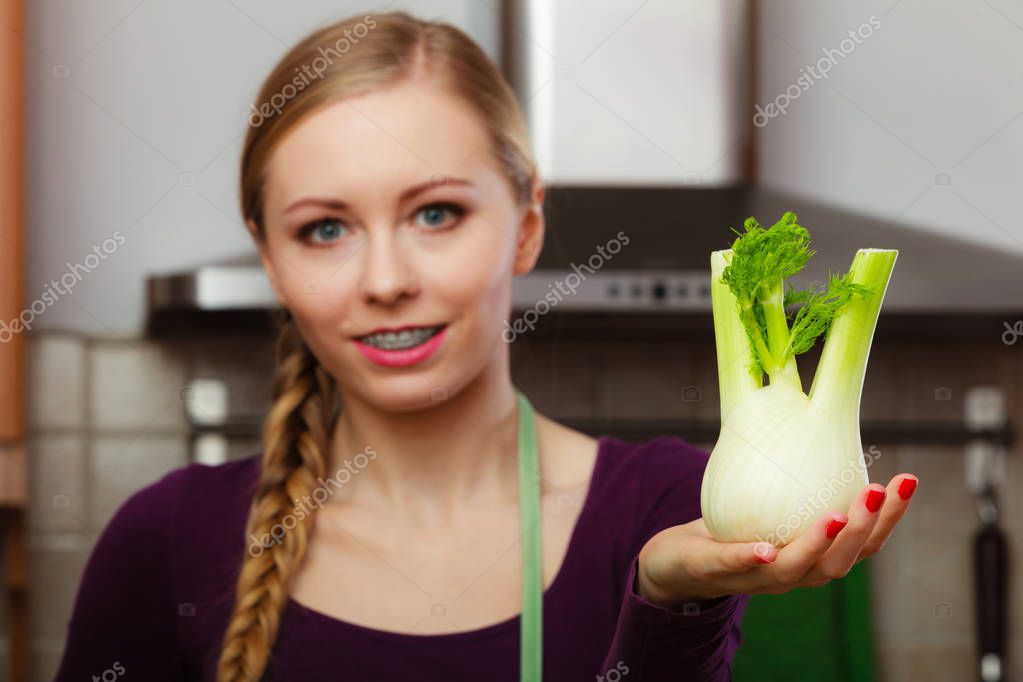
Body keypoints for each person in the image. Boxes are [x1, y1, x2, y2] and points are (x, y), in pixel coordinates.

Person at [54, 11, 918, 681]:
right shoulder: (165, 540)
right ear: (270, 259)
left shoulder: (665, 509)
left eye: (435, 213)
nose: (385, 279)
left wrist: (667, 601)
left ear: (525, 226)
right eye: (324, 229)